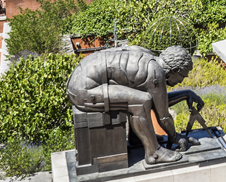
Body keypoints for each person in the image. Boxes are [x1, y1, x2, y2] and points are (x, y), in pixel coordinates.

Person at [66, 46, 198, 165]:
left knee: (138, 96)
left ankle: (138, 139)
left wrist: (186, 94)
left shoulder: (147, 56)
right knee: (141, 101)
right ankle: (154, 153)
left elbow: (158, 102)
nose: (181, 81)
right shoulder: (156, 73)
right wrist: (175, 136)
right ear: (175, 69)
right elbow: (163, 115)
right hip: (83, 91)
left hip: (78, 80)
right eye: (182, 76)